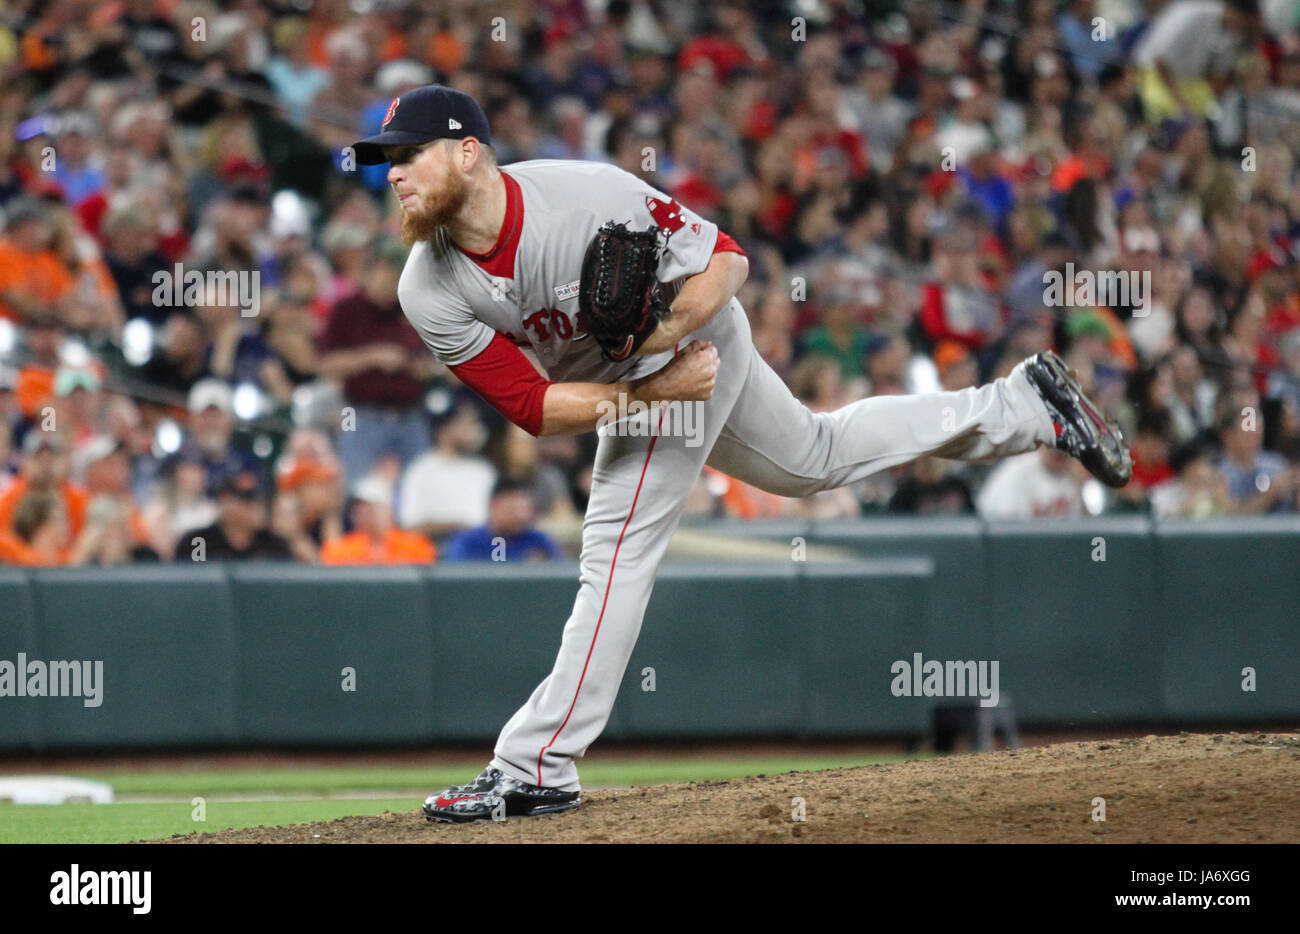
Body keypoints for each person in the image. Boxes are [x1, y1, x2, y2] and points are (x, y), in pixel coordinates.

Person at [351, 84, 1132, 822]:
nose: (392, 175)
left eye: (407, 154)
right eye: (385, 161)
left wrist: (661, 340)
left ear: (466, 152)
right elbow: (529, 408)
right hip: (645, 386)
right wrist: (656, 392)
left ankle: (536, 765)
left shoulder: (585, 194)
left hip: (692, 339)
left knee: (615, 551)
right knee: (812, 458)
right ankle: (1023, 405)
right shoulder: (428, 286)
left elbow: (727, 259)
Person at [441, 478, 564, 562]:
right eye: (513, 509)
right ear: (494, 506)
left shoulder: (538, 540)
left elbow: (559, 570)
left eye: (525, 509)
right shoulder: (466, 541)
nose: (521, 516)